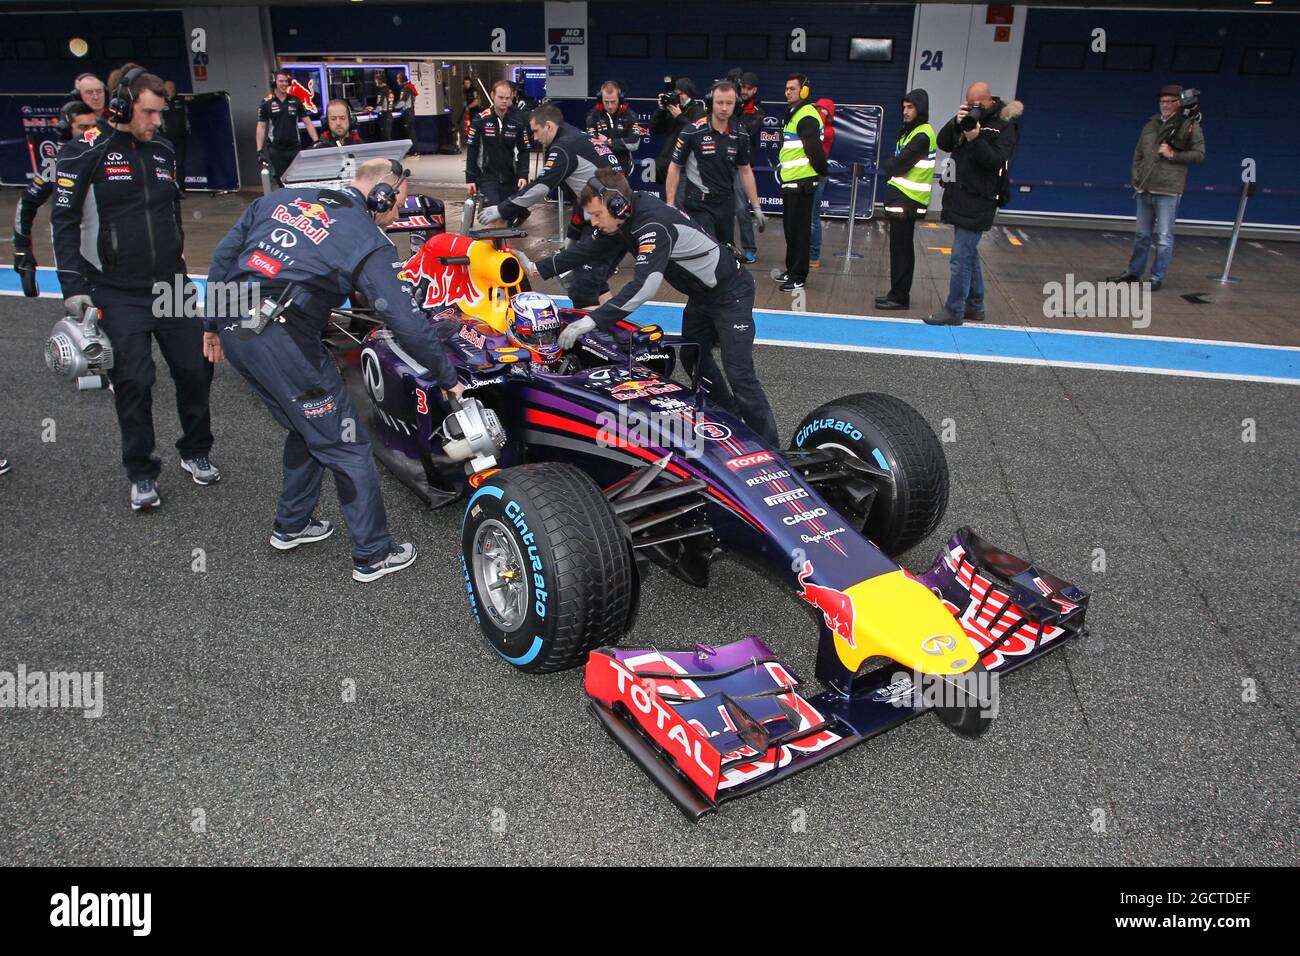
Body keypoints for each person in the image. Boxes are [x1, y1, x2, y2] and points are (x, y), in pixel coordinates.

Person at [208, 159, 464, 582]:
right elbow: (406, 322)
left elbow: (223, 257)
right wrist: (448, 378)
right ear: (383, 193)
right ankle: (374, 553)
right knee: (346, 442)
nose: (399, 213)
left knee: (305, 426)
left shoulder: (281, 198)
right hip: (281, 340)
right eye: (399, 202)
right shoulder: (365, 237)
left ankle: (292, 525)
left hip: (237, 330)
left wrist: (211, 323)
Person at [52, 63, 218, 511]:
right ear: (122, 107)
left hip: (171, 286)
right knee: (134, 381)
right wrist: (72, 282)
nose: (157, 122)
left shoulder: (163, 150)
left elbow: (170, 215)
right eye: (149, 113)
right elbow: (63, 221)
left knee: (195, 369)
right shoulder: (85, 150)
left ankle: (196, 450)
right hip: (117, 289)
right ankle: (142, 472)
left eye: (160, 113)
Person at [516, 170, 778, 445]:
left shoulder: (653, 224)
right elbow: (585, 251)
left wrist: (591, 321)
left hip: (731, 293)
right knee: (693, 357)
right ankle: (730, 418)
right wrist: (536, 268)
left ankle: (771, 447)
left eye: (596, 215)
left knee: (739, 373)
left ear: (618, 205)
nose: (593, 222)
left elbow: (644, 288)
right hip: (701, 297)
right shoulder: (622, 217)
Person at [477, 103, 622, 307]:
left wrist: (501, 209)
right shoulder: (579, 137)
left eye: (536, 131)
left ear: (549, 126)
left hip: (607, 221)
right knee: (594, 283)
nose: (534, 137)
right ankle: (611, 332)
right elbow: (587, 195)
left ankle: (593, 335)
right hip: (614, 214)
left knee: (582, 288)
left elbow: (541, 187)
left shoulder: (564, 147)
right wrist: (572, 236)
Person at [925, 82, 1022, 326]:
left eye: (977, 105)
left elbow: (996, 161)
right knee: (969, 254)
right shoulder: (966, 119)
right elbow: (944, 143)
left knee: (960, 256)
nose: (973, 109)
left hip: (981, 199)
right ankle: (975, 305)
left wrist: (976, 138)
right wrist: (955, 122)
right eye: (969, 105)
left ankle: (954, 310)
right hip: (959, 195)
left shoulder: (1005, 126)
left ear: (990, 100)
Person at [1106, 84, 1206, 292]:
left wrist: (1174, 155)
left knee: (1163, 237)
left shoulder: (1189, 126)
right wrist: (1136, 176)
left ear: (1179, 104)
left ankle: (1157, 277)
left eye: (1169, 102)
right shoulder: (1150, 125)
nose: (1165, 105)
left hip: (1168, 190)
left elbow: (1199, 154)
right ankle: (1133, 272)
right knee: (1142, 235)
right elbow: (1138, 153)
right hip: (1145, 187)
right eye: (1162, 102)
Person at [12, 100, 98, 296]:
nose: (90, 133)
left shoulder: (109, 155)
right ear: (66, 130)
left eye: (94, 128)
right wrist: (22, 248)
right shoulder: (56, 163)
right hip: (76, 253)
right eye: (83, 128)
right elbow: (27, 202)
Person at [664, 80, 765, 247]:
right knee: (707, 251)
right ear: (711, 102)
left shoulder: (740, 134)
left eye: (729, 103)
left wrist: (757, 206)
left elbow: (745, 171)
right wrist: (670, 204)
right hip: (698, 203)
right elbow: (675, 167)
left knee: (726, 253)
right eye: (719, 102)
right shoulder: (692, 131)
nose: (724, 108)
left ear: (736, 104)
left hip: (726, 203)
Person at [875, 89, 935, 311]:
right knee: (899, 250)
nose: (905, 112)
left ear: (920, 108)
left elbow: (897, 164)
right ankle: (896, 293)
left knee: (902, 251)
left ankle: (900, 296)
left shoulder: (922, 134)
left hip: (909, 200)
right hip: (903, 199)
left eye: (910, 107)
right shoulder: (912, 132)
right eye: (904, 107)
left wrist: (891, 165)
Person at [774, 74, 827, 293]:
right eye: (786, 88)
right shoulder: (794, 114)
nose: (788, 92)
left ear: (804, 91)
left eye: (793, 88)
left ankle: (798, 275)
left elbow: (814, 150)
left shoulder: (806, 116)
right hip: (791, 181)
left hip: (803, 183)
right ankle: (791, 269)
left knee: (800, 231)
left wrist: (821, 173)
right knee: (790, 229)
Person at [462, 79, 530, 233]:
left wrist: (523, 174)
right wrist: (470, 179)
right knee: (492, 217)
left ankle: (502, 252)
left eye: (508, 98)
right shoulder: (480, 119)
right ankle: (495, 251)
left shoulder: (518, 120)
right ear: (492, 95)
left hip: (510, 177)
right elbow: (472, 149)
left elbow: (524, 150)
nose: (504, 101)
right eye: (501, 97)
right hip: (487, 177)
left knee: (503, 219)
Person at [649, 78, 705, 203]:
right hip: (669, 166)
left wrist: (679, 117)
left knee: (680, 204)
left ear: (688, 94)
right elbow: (654, 128)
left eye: (681, 93)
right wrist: (661, 109)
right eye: (675, 93)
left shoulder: (697, 111)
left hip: (686, 168)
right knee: (669, 203)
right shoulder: (671, 109)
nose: (677, 96)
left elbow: (694, 134)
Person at [257, 69, 317, 185]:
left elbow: (308, 123)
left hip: (294, 148)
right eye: (281, 81)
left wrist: (316, 141)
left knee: (298, 180)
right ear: (274, 82)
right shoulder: (266, 103)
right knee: (282, 181)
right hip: (276, 149)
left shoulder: (295, 101)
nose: (284, 84)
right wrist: (259, 151)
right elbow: (261, 127)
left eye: (286, 81)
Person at [733, 72, 765, 263]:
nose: (745, 91)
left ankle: (749, 249)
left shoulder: (758, 111)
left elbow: (744, 130)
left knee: (741, 209)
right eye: (742, 87)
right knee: (721, 209)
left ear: (755, 90)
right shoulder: (731, 106)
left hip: (742, 166)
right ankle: (724, 246)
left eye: (749, 88)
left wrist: (735, 113)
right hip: (722, 164)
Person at [586, 80, 641, 174]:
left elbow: (634, 142)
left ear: (620, 98)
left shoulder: (630, 115)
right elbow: (593, 144)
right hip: (601, 169)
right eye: (606, 102)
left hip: (623, 168)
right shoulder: (593, 116)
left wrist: (608, 142)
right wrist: (620, 143)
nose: (610, 106)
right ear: (600, 99)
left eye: (613, 101)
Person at [808, 97, 836, 267]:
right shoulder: (817, 125)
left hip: (818, 175)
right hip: (807, 173)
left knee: (813, 217)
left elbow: (818, 136)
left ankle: (814, 255)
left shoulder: (829, 131)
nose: (818, 112)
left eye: (821, 109)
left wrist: (819, 114)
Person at [161, 79, 189, 195]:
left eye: (173, 87)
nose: (171, 89)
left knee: (180, 163)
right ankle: (168, 188)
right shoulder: (160, 102)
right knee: (166, 163)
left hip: (181, 137)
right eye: (169, 87)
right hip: (166, 139)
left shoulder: (181, 100)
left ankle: (180, 189)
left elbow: (197, 100)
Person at [394, 70, 419, 153]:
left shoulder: (406, 89)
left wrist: (393, 107)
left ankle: (414, 151)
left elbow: (402, 102)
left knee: (410, 133)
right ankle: (413, 151)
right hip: (410, 112)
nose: (397, 81)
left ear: (401, 79)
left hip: (408, 113)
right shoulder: (410, 87)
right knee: (410, 132)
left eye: (398, 79)